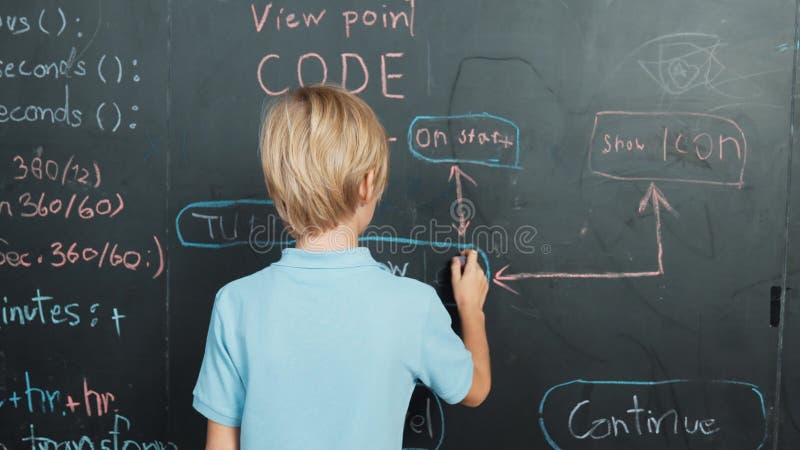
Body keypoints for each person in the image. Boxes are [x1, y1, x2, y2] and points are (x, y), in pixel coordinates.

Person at [192, 85, 490, 450]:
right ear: (367, 185)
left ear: (277, 187)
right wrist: (472, 311)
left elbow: (220, 445)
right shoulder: (413, 305)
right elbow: (475, 389)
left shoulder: (235, 304)